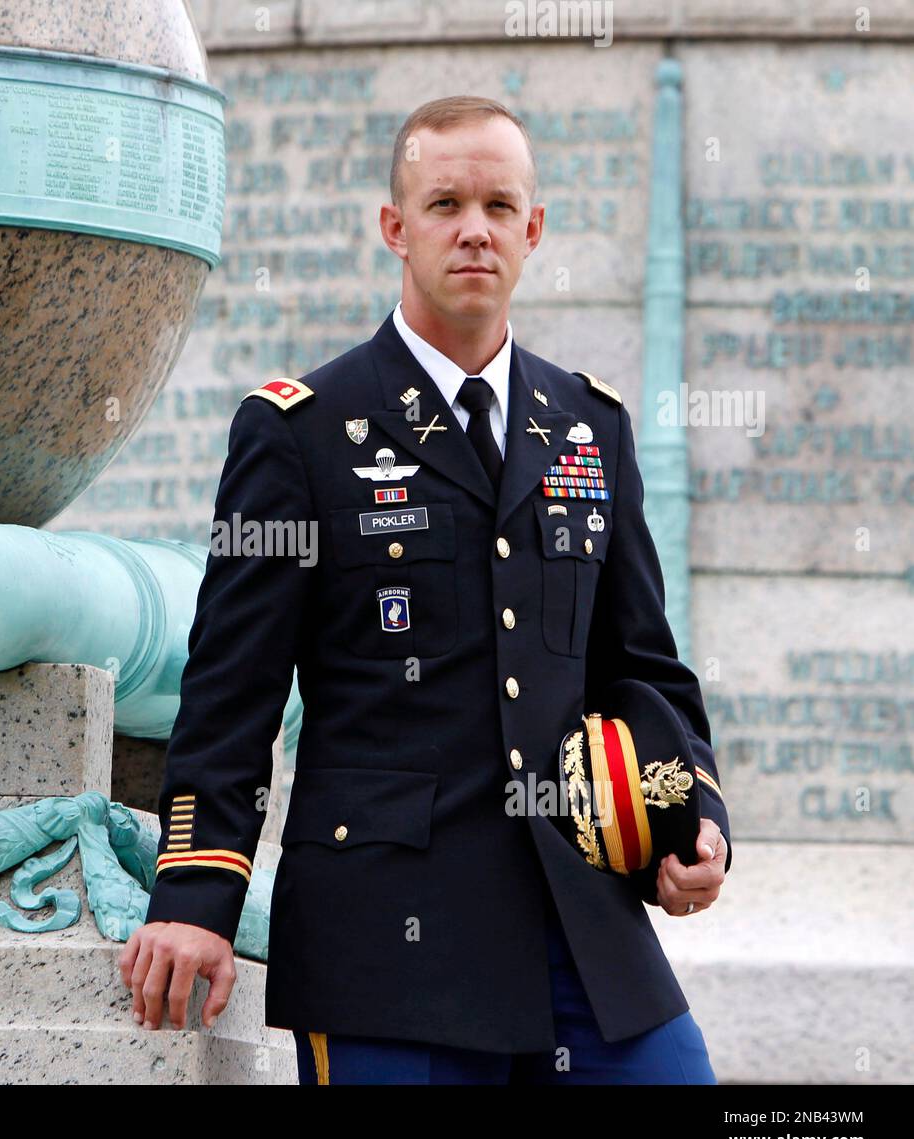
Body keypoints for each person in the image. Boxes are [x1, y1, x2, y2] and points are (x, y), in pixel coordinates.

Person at [118, 96, 732, 1084]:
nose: (474, 229)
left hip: (582, 929)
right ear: (395, 227)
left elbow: (643, 667)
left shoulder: (590, 427)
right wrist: (195, 897)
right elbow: (233, 688)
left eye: (499, 206)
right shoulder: (301, 431)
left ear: (533, 229)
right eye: (445, 203)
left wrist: (693, 814)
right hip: (387, 945)